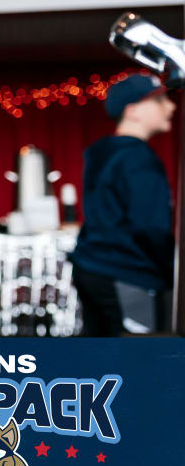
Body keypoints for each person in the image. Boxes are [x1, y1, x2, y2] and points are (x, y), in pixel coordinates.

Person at [69, 75, 176, 335]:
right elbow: (150, 226)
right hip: (129, 274)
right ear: (133, 111)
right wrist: (169, 272)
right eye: (159, 100)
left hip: (92, 268)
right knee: (138, 360)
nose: (171, 106)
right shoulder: (138, 158)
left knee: (100, 355)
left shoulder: (101, 154)